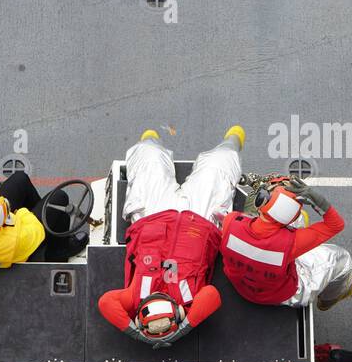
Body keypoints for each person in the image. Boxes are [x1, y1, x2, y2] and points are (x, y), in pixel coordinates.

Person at [97, 127, 243, 347]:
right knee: (220, 162)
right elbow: (212, 295)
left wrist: (135, 333)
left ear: (139, 316)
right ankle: (233, 140)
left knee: (149, 155)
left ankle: (151, 139)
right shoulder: (192, 301)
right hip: (200, 219)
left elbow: (106, 302)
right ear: (179, 315)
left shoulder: (134, 297)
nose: (157, 297)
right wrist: (185, 329)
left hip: (153, 216)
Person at [220, 177, 352, 310]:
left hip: (241, 285)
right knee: (342, 258)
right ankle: (327, 300)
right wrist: (321, 203)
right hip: (278, 294)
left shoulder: (230, 222)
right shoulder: (292, 243)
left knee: (299, 222)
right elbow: (336, 225)